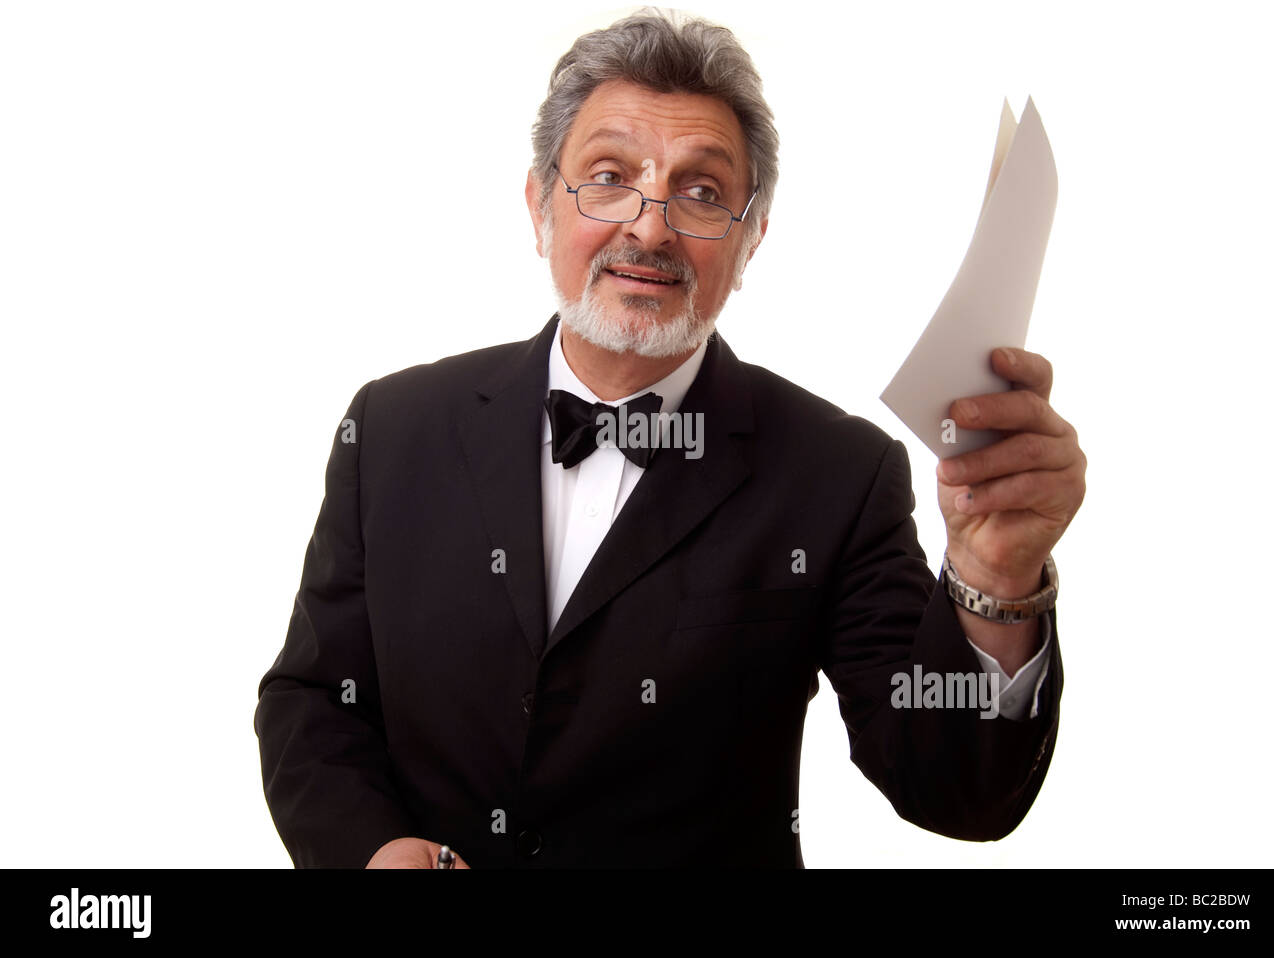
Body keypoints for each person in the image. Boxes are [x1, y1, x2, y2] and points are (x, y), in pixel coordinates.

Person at [254, 8, 1086, 869]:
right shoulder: (393, 429)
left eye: (701, 192)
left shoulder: (838, 474)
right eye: (609, 176)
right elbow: (312, 701)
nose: (650, 228)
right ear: (540, 204)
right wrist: (373, 853)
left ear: (752, 234)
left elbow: (953, 788)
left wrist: (996, 581)